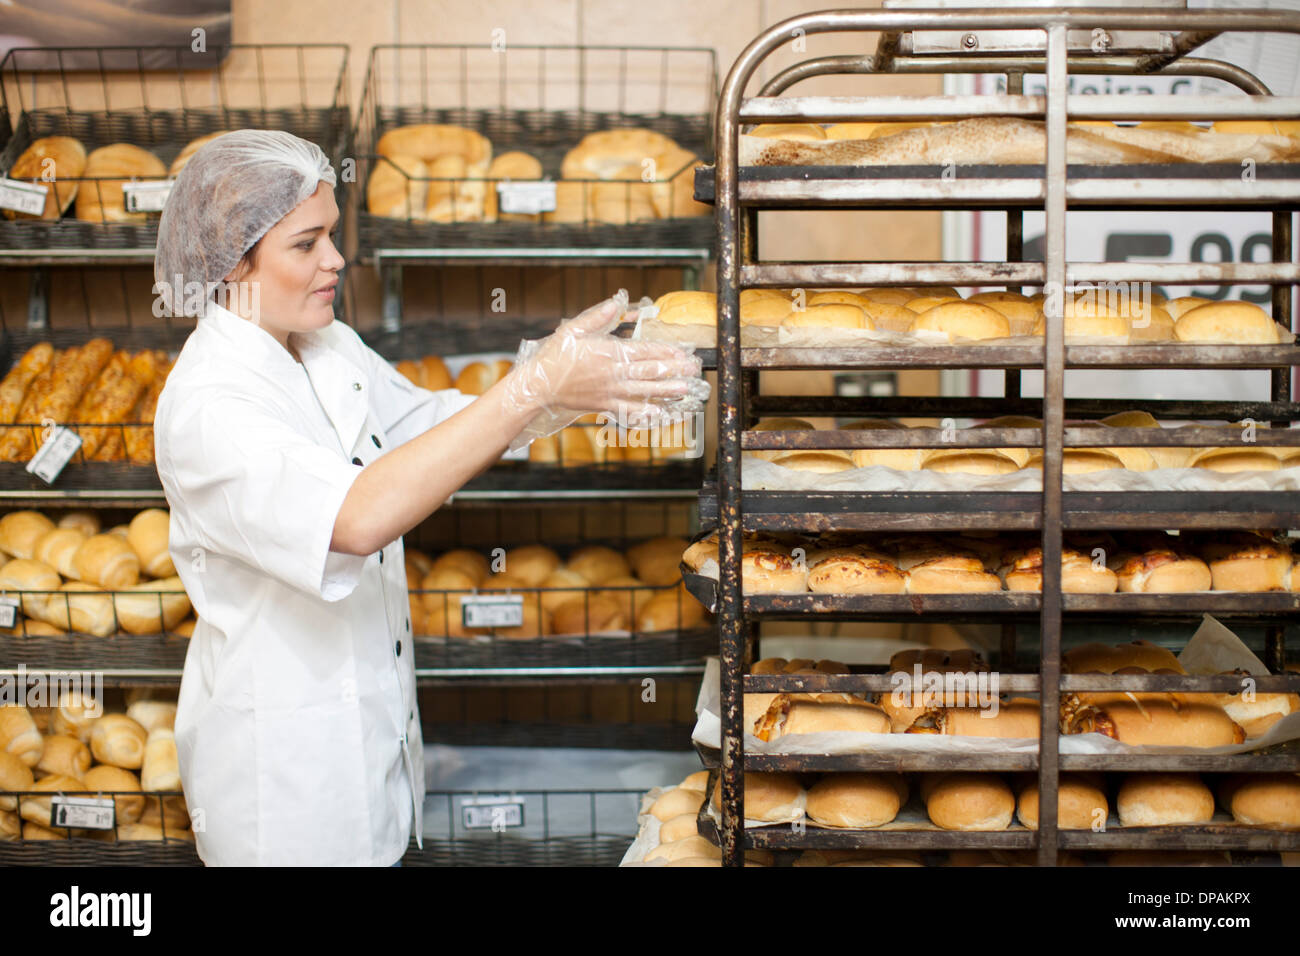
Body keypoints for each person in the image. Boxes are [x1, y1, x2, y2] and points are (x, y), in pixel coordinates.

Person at [151, 129, 704, 866]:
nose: (336, 260)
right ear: (230, 259)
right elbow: (355, 517)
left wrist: (571, 383)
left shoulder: (325, 346)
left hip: (374, 745)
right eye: (306, 244)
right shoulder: (209, 405)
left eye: (333, 236)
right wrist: (534, 387)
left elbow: (433, 427)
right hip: (282, 784)